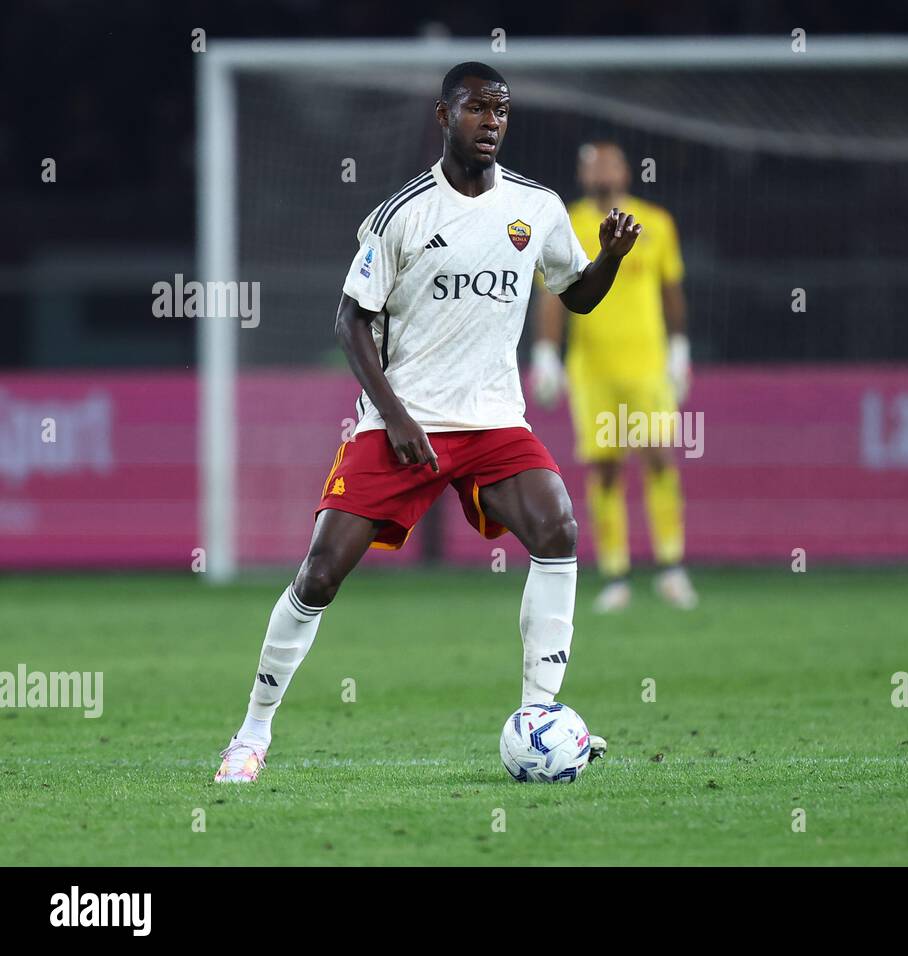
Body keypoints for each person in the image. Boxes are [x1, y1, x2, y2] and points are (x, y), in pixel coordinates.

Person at [214, 62, 641, 783]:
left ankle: (539, 715)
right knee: (319, 574)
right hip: (399, 423)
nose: (492, 122)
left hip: (492, 421)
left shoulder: (536, 208)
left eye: (501, 111)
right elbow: (351, 322)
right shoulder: (403, 214)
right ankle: (252, 734)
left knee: (559, 528)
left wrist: (610, 259)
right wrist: (396, 415)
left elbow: (577, 297)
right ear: (444, 117)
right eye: (477, 110)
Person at [532, 141, 697, 614]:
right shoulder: (567, 222)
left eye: (609, 161)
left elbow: (671, 291)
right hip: (594, 370)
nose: (602, 169)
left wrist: (679, 351)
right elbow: (551, 296)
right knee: (605, 468)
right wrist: (547, 355)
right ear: (582, 175)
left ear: (626, 170)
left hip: (647, 366)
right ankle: (615, 573)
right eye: (592, 163)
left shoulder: (657, 223)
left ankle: (671, 567)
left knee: (659, 457)